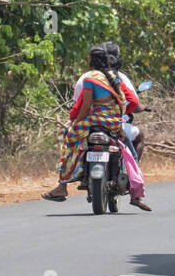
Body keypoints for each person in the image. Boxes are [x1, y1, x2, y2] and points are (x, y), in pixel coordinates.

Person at [43, 46, 139, 204]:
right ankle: (135, 190)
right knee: (130, 152)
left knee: (70, 142)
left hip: (95, 121)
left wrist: (76, 122)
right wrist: (119, 120)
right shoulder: (115, 78)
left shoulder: (89, 79)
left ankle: (62, 186)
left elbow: (85, 105)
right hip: (114, 123)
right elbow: (127, 101)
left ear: (91, 60)